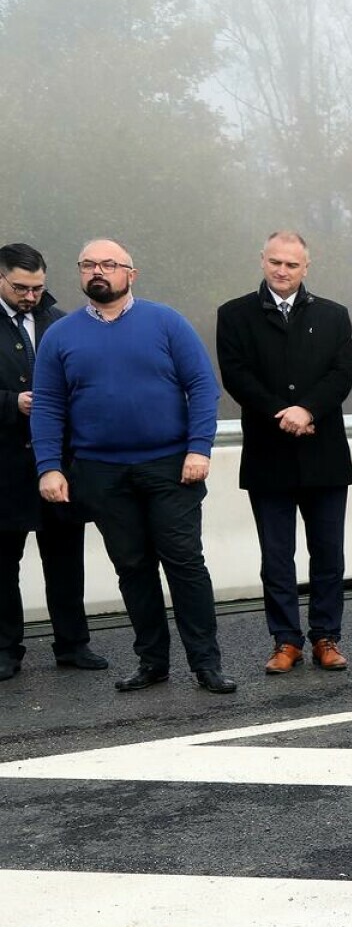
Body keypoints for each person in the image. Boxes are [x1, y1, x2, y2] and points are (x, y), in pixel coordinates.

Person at [32, 239, 233, 693]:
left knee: (184, 564)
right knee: (132, 567)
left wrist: (198, 448)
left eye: (108, 264)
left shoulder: (165, 322)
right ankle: (152, 662)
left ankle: (207, 664)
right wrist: (49, 466)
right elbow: (47, 405)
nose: (97, 271)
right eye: (88, 264)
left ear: (131, 274)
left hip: (170, 466)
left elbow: (202, 386)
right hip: (100, 471)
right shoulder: (60, 335)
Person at [216, 231, 352, 674]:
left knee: (328, 553)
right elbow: (236, 376)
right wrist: (283, 411)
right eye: (275, 262)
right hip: (268, 454)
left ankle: (326, 636)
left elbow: (343, 372)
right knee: (276, 556)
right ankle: (285, 640)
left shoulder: (334, 316)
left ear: (306, 268)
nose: (282, 271)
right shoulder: (235, 315)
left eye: (292, 265)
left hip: (324, 454)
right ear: (263, 261)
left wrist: (309, 409)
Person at [1, 243, 104, 679]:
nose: (30, 296)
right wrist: (11, 403)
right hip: (4, 465)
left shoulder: (60, 323)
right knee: (4, 564)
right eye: (20, 288)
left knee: (65, 558)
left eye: (37, 287)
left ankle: (73, 643)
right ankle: (6, 649)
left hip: (58, 462)